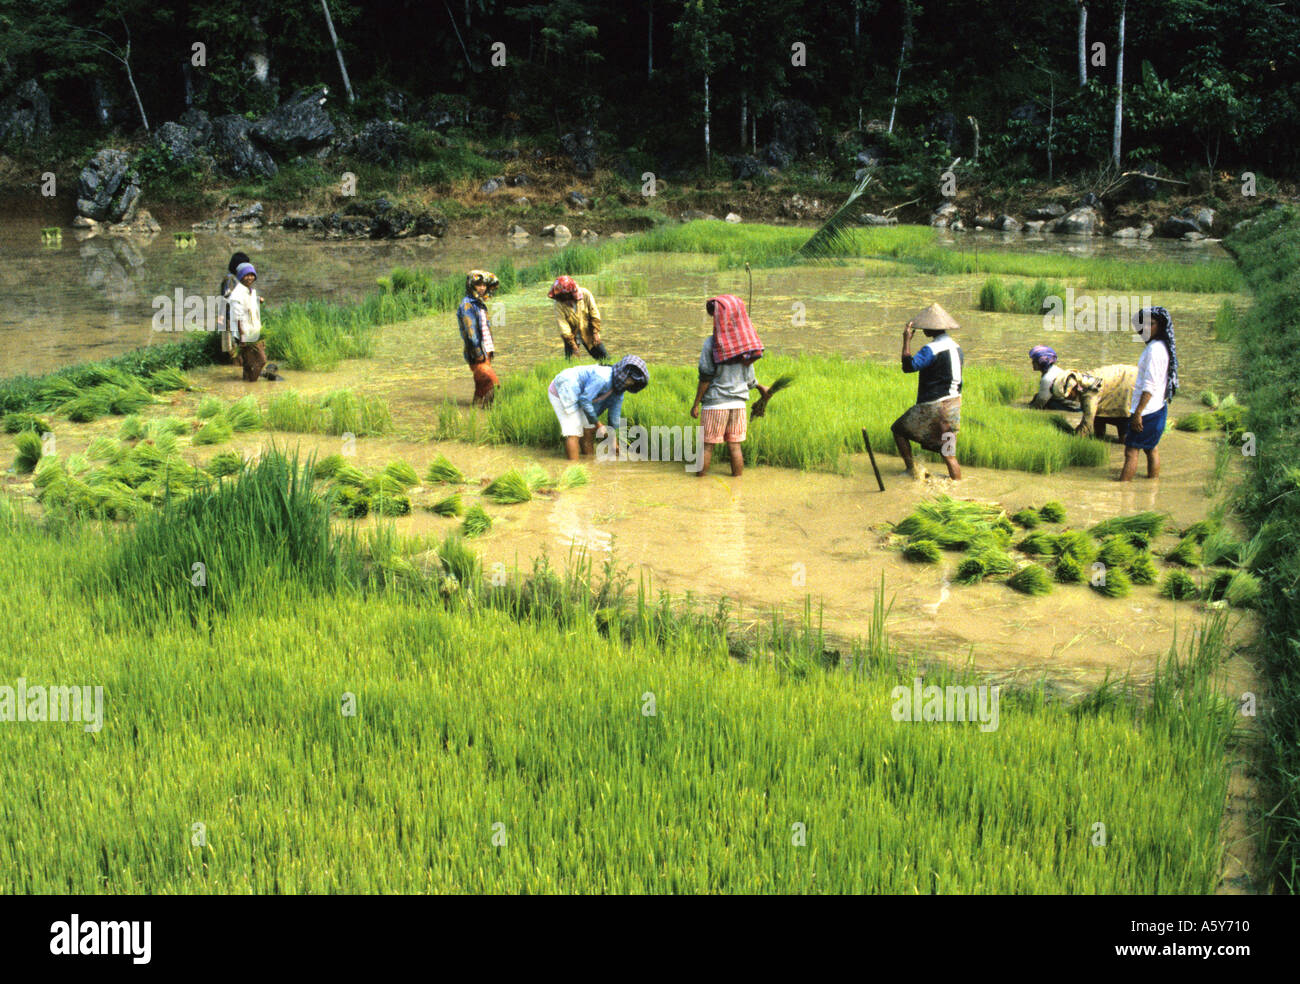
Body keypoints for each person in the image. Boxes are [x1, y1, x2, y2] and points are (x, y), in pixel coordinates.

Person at [690, 296, 770, 477]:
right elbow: (749, 379)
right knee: (735, 446)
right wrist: (759, 387)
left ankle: (699, 483)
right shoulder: (745, 345)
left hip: (715, 404)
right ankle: (737, 483)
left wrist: (696, 403)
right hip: (739, 405)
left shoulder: (711, 343)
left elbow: (706, 376)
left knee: (707, 446)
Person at [892, 302, 963, 481]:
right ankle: (958, 487)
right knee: (949, 454)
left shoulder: (931, 349)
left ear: (931, 329)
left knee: (898, 430)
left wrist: (906, 340)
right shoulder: (956, 348)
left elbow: (909, 367)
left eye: (926, 327)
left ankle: (911, 470)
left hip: (934, 405)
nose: (924, 330)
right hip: (954, 404)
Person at [547, 355, 649, 460]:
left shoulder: (619, 392)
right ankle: (573, 469)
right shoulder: (603, 377)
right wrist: (598, 424)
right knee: (574, 430)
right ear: (623, 374)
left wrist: (613, 440)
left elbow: (614, 418)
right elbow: (585, 400)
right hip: (564, 388)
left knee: (588, 428)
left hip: (580, 395)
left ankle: (589, 463)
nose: (631, 383)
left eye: (633, 382)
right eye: (630, 380)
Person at [1026, 346, 1137, 440]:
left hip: (1129, 384)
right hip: (1114, 386)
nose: (1069, 399)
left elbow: (1087, 424)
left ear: (1074, 389)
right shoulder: (1081, 380)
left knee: (1125, 437)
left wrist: (1073, 439)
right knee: (1098, 420)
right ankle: (1101, 438)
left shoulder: (1088, 394)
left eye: (1069, 396)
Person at [1120, 306, 1179, 482]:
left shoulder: (1154, 350)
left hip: (1147, 411)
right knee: (1151, 448)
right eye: (1142, 324)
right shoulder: (1160, 347)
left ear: (1160, 326)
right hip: (1159, 408)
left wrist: (1138, 413)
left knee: (1130, 452)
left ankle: (1122, 491)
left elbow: (1150, 385)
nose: (1145, 328)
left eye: (1150, 324)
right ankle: (1152, 487)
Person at [457, 270, 500, 407]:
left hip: (486, 349)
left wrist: (489, 350)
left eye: (484, 285)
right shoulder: (467, 305)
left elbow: (485, 329)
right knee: (493, 383)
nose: (482, 288)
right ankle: (488, 413)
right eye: (478, 285)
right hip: (477, 352)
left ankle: (475, 412)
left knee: (481, 387)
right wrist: (478, 353)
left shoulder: (480, 304)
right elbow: (471, 333)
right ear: (471, 286)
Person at [548, 275, 608, 360]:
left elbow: (594, 312)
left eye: (565, 295)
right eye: (561, 296)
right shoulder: (558, 304)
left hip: (588, 331)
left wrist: (595, 332)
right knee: (570, 363)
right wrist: (573, 345)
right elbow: (563, 326)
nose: (563, 298)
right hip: (571, 335)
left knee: (604, 359)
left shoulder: (585, 294)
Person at [227, 261, 267, 382]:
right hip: (245, 334)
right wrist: (243, 336)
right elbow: (237, 316)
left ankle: (246, 384)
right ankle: (251, 385)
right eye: (246, 275)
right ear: (240, 277)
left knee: (248, 363)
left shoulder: (250, 291)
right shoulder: (236, 294)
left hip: (253, 331)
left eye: (252, 275)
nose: (250, 277)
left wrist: (257, 300)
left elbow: (248, 305)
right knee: (261, 361)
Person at [216, 251, 251, 362]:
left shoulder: (240, 280)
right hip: (231, 317)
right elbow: (226, 298)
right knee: (233, 347)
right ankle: (236, 368)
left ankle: (240, 368)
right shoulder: (230, 279)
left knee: (241, 344)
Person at [1027, 346, 1079, 412]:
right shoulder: (1055, 369)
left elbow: (1039, 404)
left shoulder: (1047, 378)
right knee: (1036, 396)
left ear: (1042, 362)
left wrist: (1025, 410)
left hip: (1072, 408)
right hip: (1074, 405)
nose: (1032, 362)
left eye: (1034, 360)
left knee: (1048, 403)